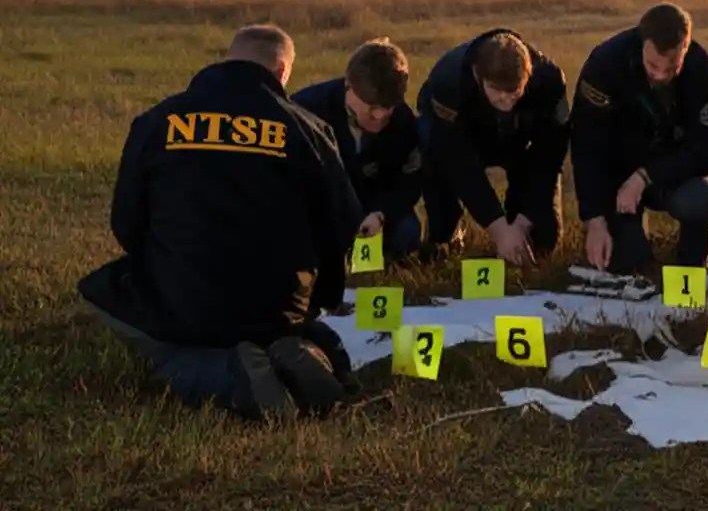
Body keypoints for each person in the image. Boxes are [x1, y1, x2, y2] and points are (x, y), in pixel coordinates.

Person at [78, 24, 365, 420]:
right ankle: (299, 348)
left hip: (188, 302)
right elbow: (341, 226)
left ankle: (230, 376)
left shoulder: (158, 121)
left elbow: (126, 223)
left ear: (227, 58)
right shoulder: (309, 130)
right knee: (277, 325)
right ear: (282, 71)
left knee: (102, 291)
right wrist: (314, 305)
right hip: (279, 307)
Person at [572, 3, 708, 274]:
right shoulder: (605, 65)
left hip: (678, 175)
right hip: (619, 179)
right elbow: (587, 145)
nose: (660, 75)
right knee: (625, 263)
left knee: (701, 200)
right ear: (641, 41)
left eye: (671, 68)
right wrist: (594, 219)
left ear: (686, 47)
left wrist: (647, 175)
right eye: (652, 66)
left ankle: (694, 257)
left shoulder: (705, 73)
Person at [416, 28, 570, 266]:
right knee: (438, 243)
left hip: (520, 141)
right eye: (495, 90)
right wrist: (497, 228)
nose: (505, 100)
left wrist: (522, 222)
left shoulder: (550, 81)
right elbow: (457, 161)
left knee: (543, 240)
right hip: (460, 138)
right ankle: (447, 229)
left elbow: (549, 156)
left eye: (514, 92)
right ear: (478, 76)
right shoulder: (448, 80)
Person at [293, 38, 422, 262]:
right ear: (349, 86)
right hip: (320, 207)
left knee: (407, 235)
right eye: (371, 109)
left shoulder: (403, 121)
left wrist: (382, 214)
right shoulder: (306, 111)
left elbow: (409, 181)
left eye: (387, 109)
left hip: (372, 207)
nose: (380, 117)